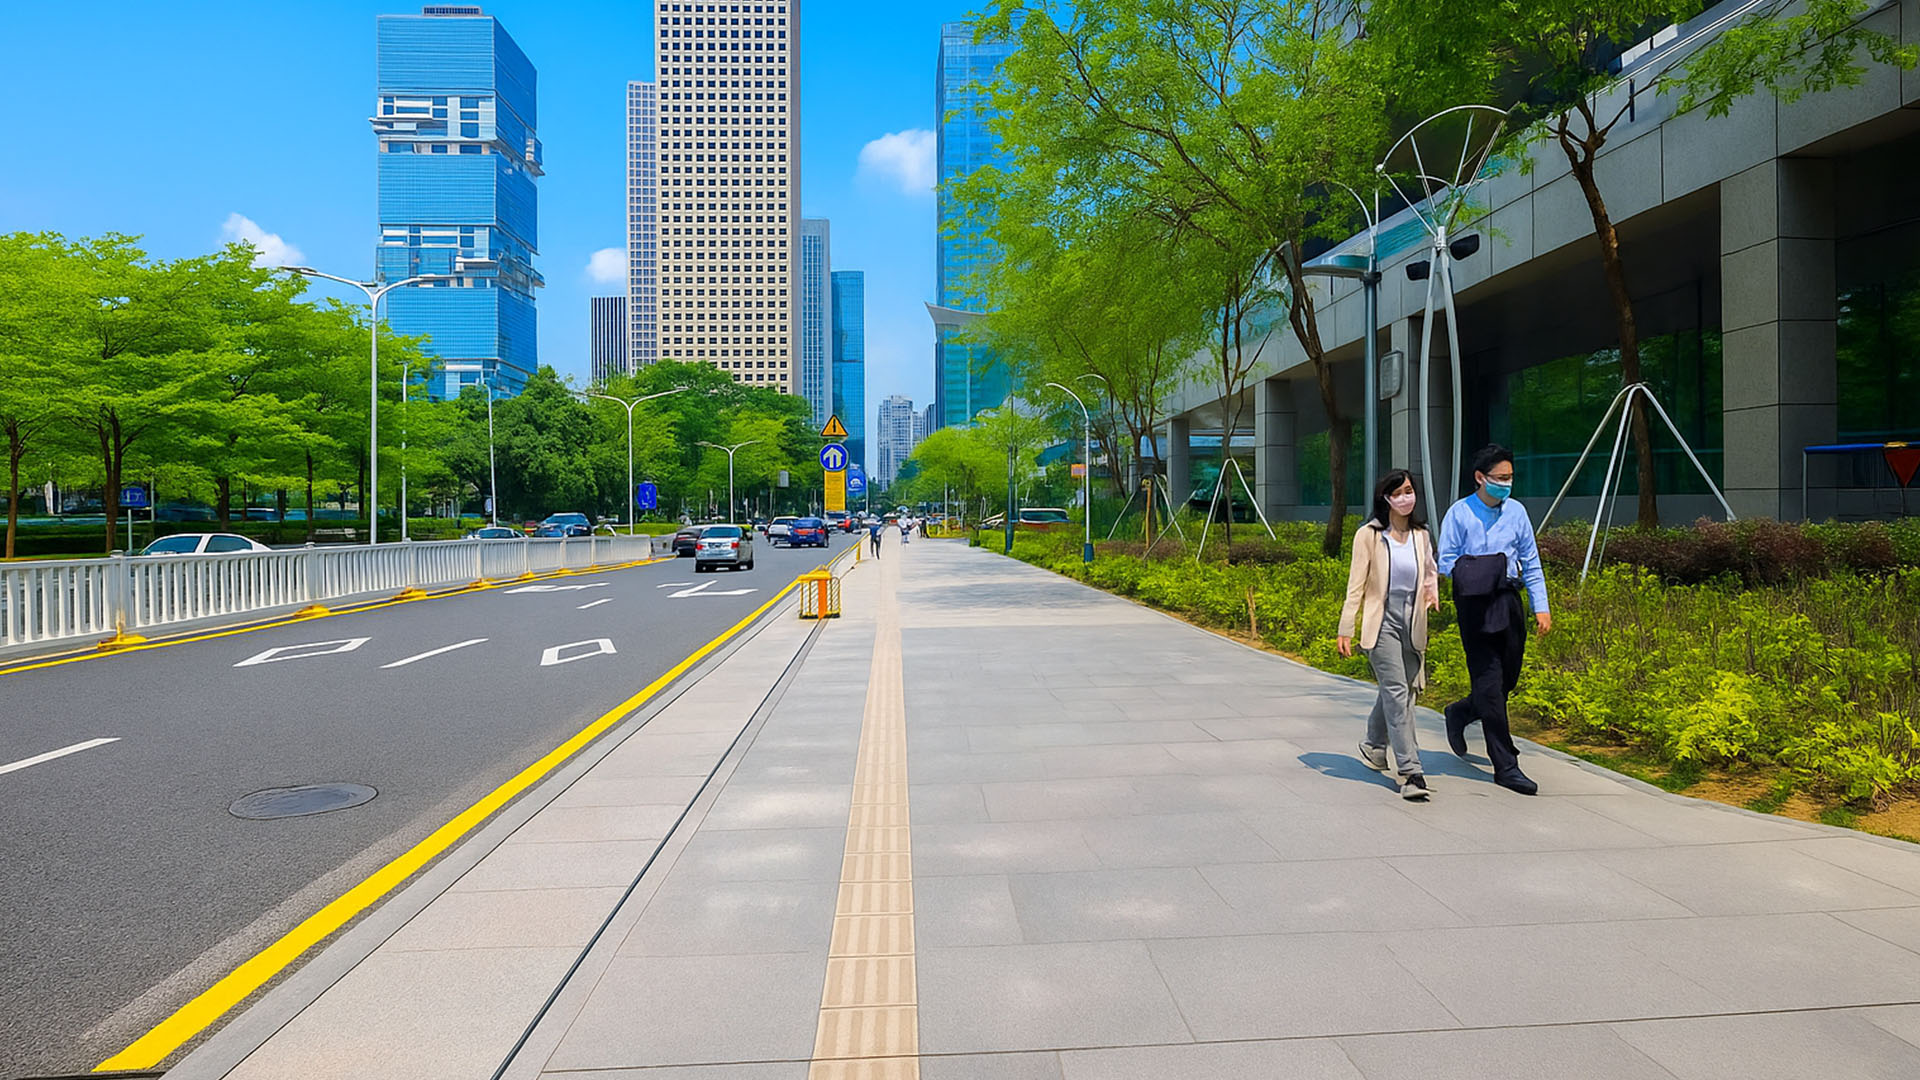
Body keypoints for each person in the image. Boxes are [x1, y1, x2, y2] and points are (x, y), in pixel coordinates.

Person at [1436, 444, 1551, 795]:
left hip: (1508, 601)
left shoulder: (1516, 512)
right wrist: (1482, 569)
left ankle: (1460, 711)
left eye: (1510, 478)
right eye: (1500, 478)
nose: (1506, 484)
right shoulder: (1459, 513)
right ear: (1480, 478)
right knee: (1488, 682)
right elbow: (1444, 560)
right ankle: (1506, 765)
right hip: (1475, 605)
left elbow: (1530, 560)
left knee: (1505, 682)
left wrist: (1540, 606)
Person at [1338, 469, 1441, 801]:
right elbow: (1356, 586)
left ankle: (1373, 745)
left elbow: (1429, 571)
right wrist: (1346, 627)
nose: (1405, 498)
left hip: (1412, 622)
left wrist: (1432, 591)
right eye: (1397, 493)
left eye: (1409, 491)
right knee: (1398, 692)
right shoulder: (1369, 535)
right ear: (1385, 498)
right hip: (1379, 623)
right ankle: (1411, 772)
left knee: (1402, 691)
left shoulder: (1421, 535)